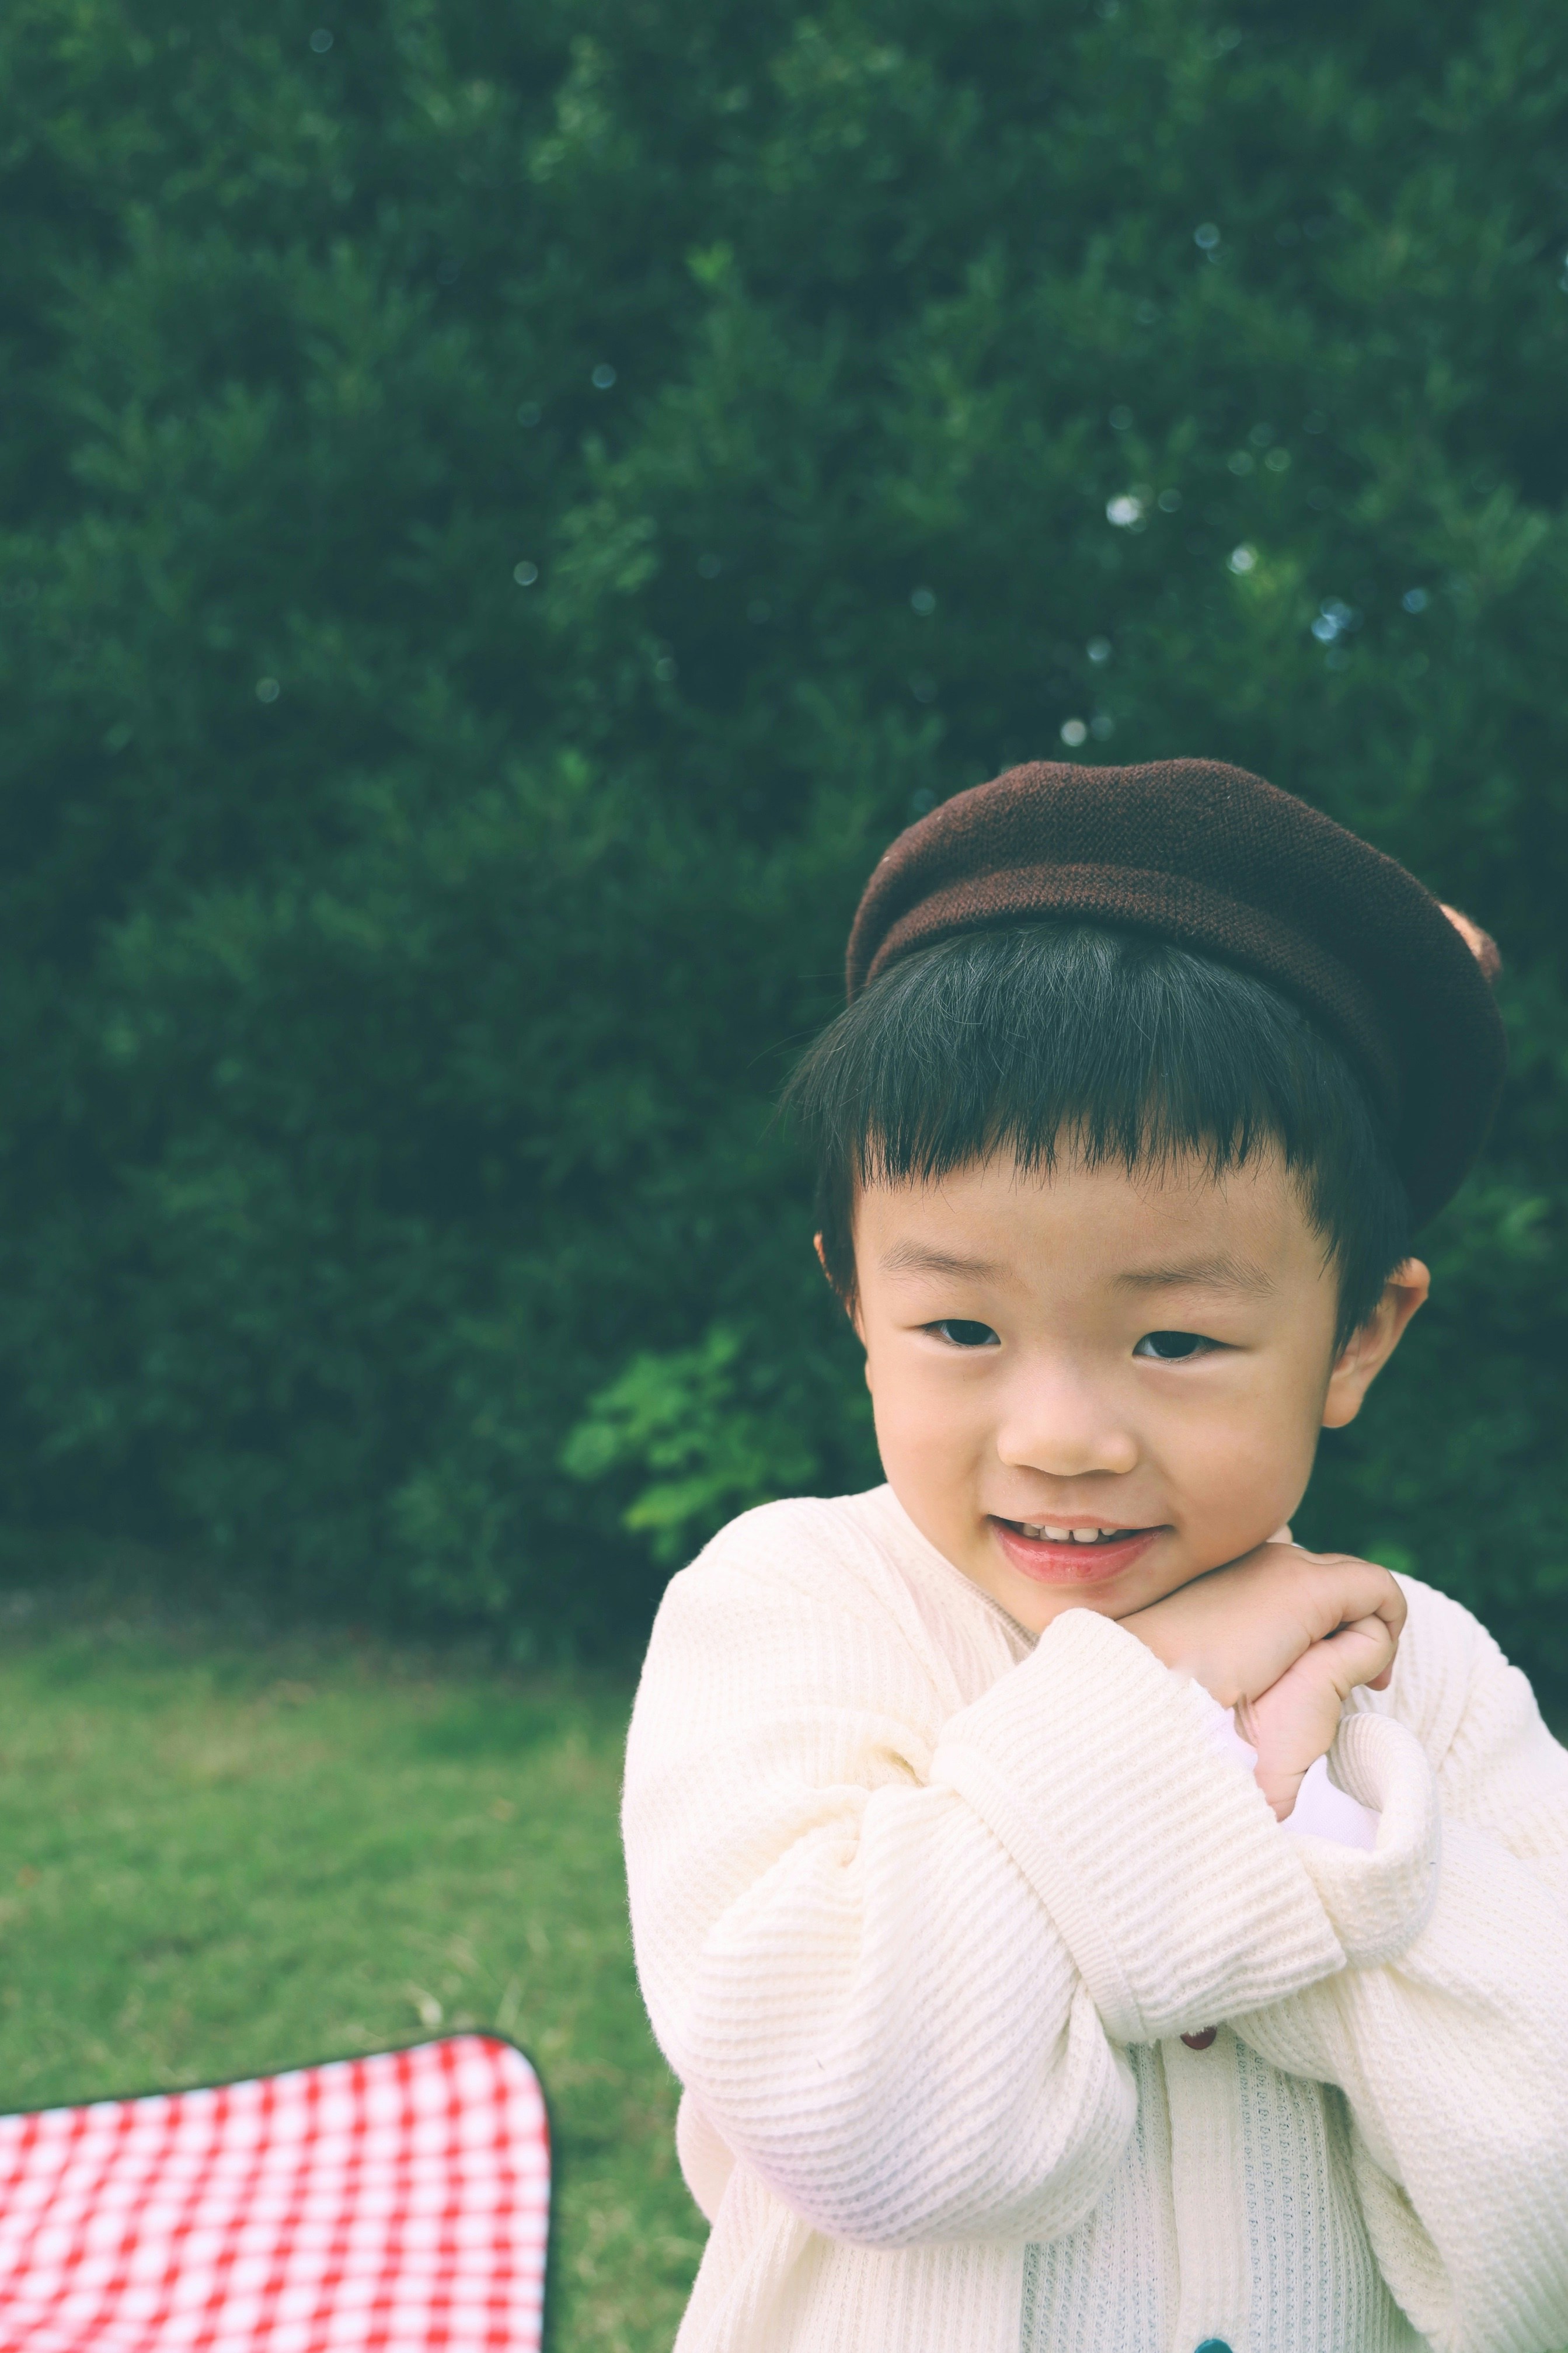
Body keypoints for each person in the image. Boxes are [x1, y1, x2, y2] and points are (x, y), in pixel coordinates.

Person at [621, 758, 1568, 2353]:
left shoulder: (1421, 1678)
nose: (1062, 1432)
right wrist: (1169, 1699)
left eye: (1177, 1336)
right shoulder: (784, 1612)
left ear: (1359, 1336)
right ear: (854, 1302)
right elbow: (868, 2118)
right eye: (963, 1325)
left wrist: (1315, 1828)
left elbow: (1539, 2232)